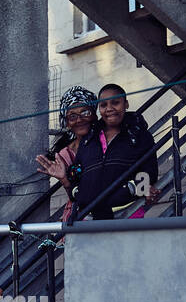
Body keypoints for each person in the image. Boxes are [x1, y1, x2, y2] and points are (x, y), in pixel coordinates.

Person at [67, 84, 159, 220]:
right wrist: (78, 193)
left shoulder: (140, 135)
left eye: (115, 103)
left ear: (126, 104)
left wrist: (132, 189)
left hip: (127, 213)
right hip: (90, 217)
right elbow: (76, 174)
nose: (109, 109)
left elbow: (150, 173)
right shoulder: (88, 139)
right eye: (103, 105)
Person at [35, 86, 97, 223]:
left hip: (110, 211)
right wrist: (64, 180)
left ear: (94, 114)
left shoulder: (106, 141)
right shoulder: (65, 154)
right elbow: (75, 196)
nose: (79, 119)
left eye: (85, 112)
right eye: (73, 116)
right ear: (67, 122)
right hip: (81, 217)